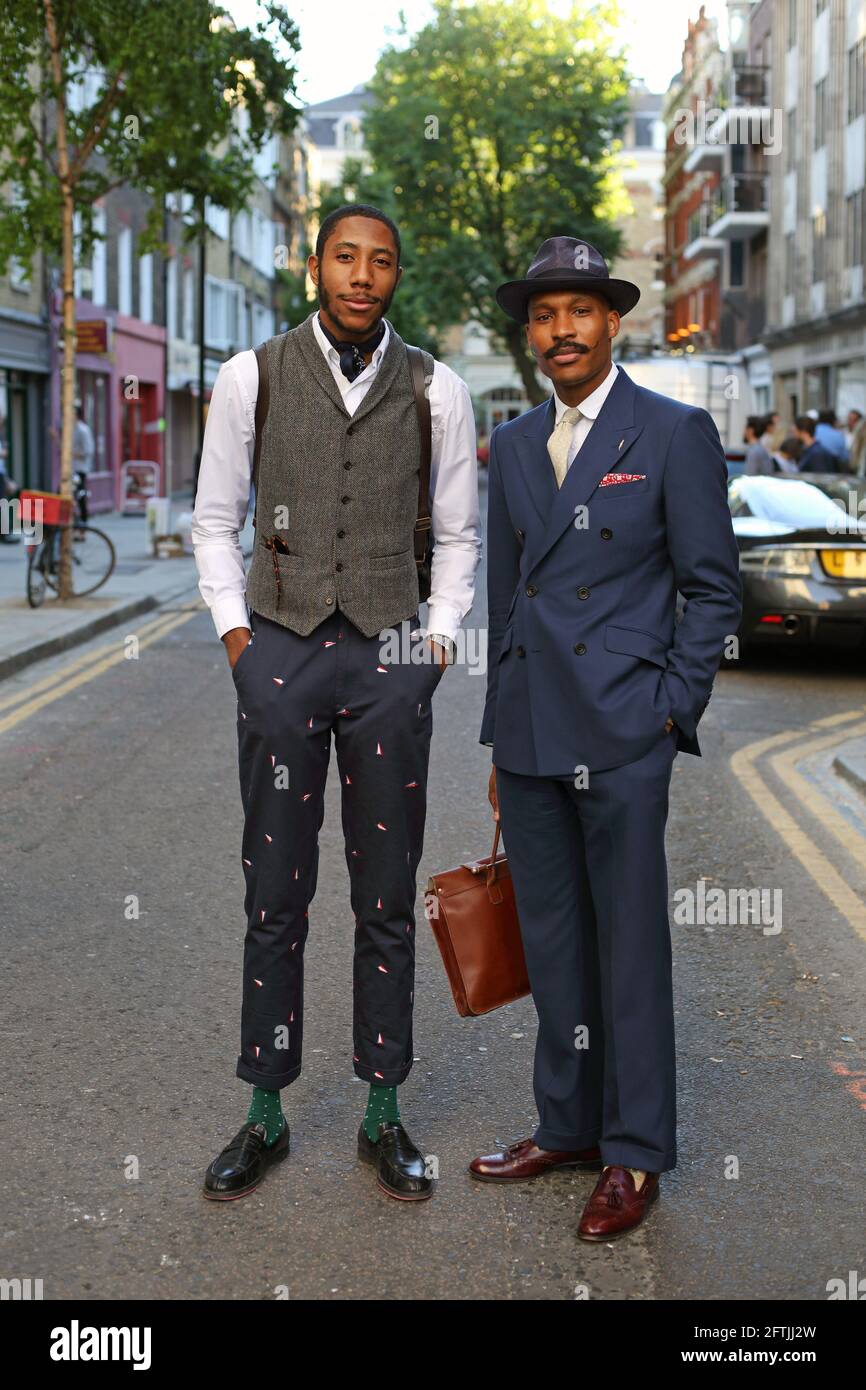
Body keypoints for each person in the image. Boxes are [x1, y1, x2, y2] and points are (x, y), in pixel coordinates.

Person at [191, 204, 481, 1203]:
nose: (362, 275)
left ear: (398, 275)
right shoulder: (252, 376)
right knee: (272, 893)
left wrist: (435, 644)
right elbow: (212, 519)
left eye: (381, 261)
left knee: (385, 896)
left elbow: (455, 535)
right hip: (276, 652)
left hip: (390, 658)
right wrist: (238, 640)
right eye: (344, 258)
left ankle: (381, 1113)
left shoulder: (436, 388)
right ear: (315, 265)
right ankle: (264, 1112)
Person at [471, 235, 741, 1241]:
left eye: (577, 311)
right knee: (552, 945)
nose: (559, 330)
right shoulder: (508, 447)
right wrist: (500, 745)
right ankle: (565, 1126)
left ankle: (633, 1154)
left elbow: (711, 588)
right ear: (530, 333)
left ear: (611, 322)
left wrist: (667, 709)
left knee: (626, 948)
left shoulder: (669, 432)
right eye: (543, 316)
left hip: (622, 733)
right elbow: (507, 606)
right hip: (534, 738)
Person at [72, 403, 95, 525]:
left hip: (80, 469)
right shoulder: (70, 429)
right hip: (71, 469)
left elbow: (88, 451)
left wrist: (72, 454)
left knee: (80, 497)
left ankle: (83, 525)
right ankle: (75, 525)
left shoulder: (82, 430)